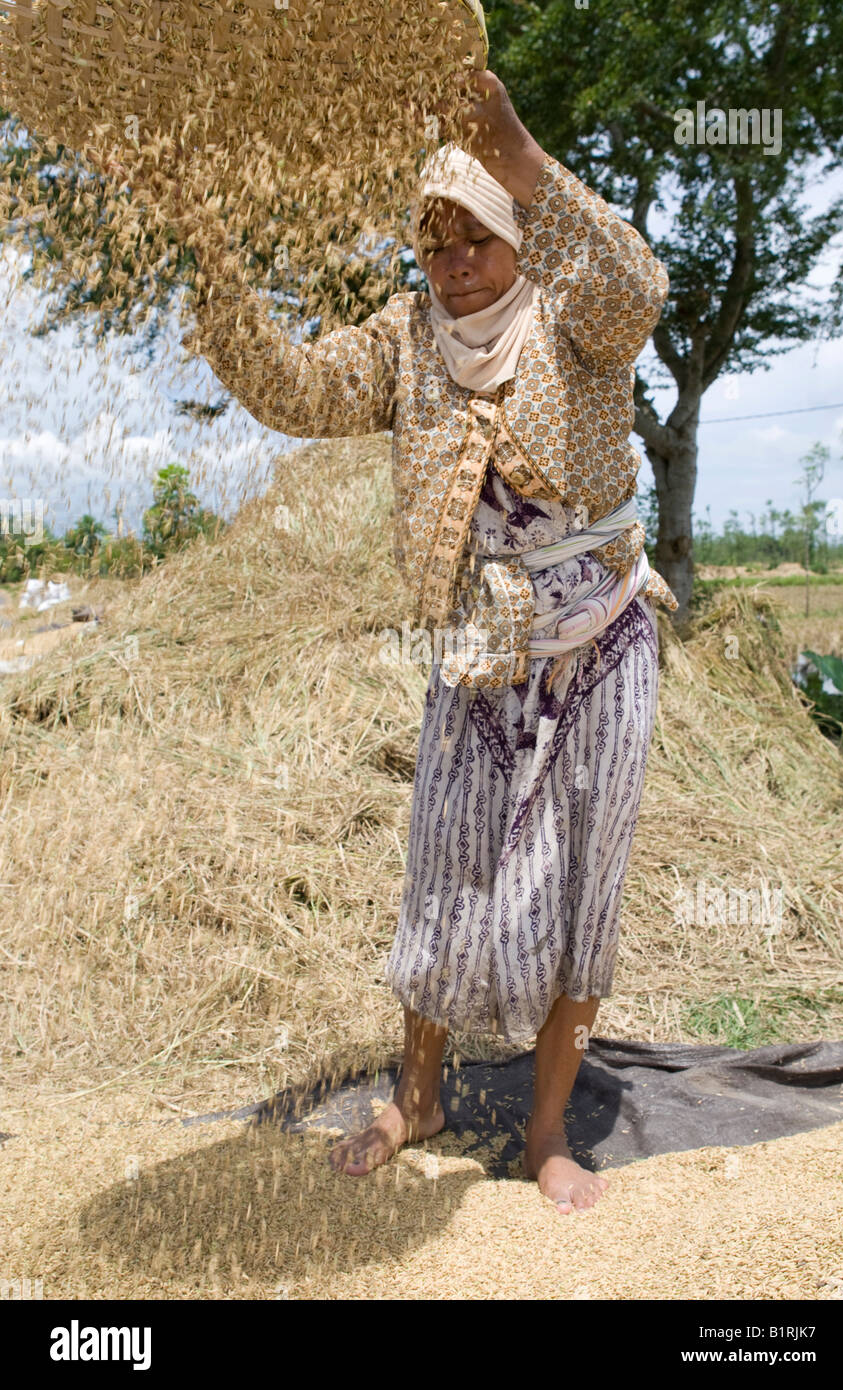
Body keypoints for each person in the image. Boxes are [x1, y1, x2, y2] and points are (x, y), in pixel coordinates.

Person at [96, 69, 676, 1214]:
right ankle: (417, 1098)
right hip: (472, 651)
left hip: (600, 648)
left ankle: (550, 1129)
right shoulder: (407, 340)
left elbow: (638, 286)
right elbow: (298, 387)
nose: (454, 261)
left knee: (580, 898)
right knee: (441, 877)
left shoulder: (573, 312)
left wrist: (511, 146)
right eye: (433, 242)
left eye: (476, 237)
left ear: (515, 235)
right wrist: (213, 267)